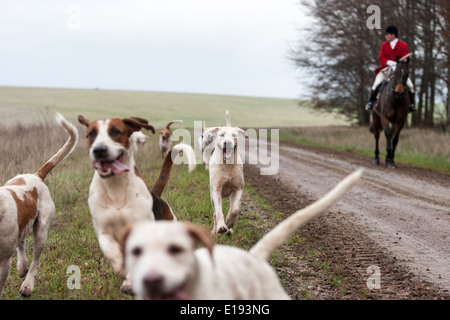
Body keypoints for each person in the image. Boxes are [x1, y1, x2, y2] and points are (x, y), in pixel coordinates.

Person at [366, 25, 416, 112]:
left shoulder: (403, 46)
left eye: (387, 34)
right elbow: (381, 58)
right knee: (376, 84)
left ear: (393, 35)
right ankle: (371, 102)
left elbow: (405, 59)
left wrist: (400, 64)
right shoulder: (384, 45)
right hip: (385, 69)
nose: (385, 36)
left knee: (411, 86)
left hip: (399, 70)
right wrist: (389, 62)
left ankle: (411, 104)